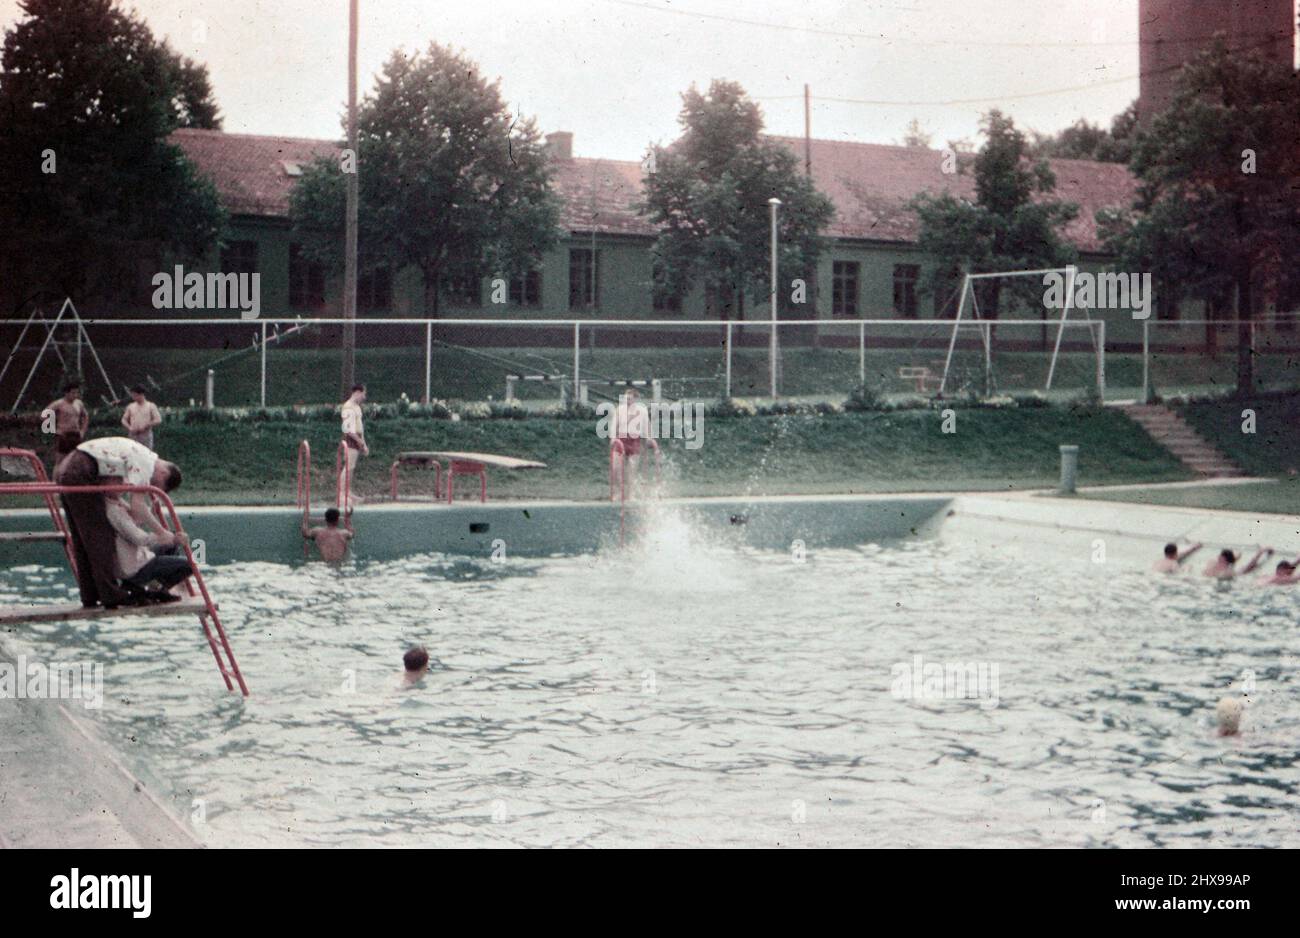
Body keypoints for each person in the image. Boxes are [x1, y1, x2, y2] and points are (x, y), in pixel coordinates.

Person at [54, 436, 182, 609]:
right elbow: (138, 506)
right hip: (81, 468)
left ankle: (91, 594)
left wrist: (149, 515)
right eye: (157, 485)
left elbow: (136, 511)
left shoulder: (140, 454)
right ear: (164, 474)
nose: (151, 486)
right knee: (100, 537)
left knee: (84, 539)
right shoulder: (146, 464)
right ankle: (111, 595)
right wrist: (161, 533)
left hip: (70, 466)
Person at [104, 495, 190, 603]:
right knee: (191, 564)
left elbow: (132, 522)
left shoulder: (116, 502)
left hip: (137, 557)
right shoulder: (114, 511)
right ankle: (153, 588)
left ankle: (157, 588)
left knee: (171, 544)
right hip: (134, 567)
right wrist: (166, 538)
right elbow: (139, 539)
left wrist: (151, 513)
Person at [609, 388, 659, 498]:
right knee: (616, 469)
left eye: (630, 399)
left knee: (631, 472)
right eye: (626, 399)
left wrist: (649, 438)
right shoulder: (619, 409)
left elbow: (646, 426)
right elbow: (614, 425)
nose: (627, 401)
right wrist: (612, 438)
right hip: (621, 440)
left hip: (634, 442)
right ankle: (619, 492)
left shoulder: (642, 410)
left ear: (635, 399)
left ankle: (631, 494)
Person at [339, 383, 369, 514]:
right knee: (348, 467)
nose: (364, 397)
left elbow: (360, 427)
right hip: (351, 438)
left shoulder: (357, 407)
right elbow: (347, 429)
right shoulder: (348, 406)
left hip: (358, 438)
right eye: (364, 394)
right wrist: (358, 441)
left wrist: (363, 443)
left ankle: (348, 491)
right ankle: (341, 494)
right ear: (358, 392)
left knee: (352, 467)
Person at [47, 380, 89, 464]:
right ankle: (57, 473)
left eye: (77, 393)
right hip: (63, 435)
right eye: (73, 393)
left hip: (76, 434)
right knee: (60, 460)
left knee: (76, 459)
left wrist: (82, 431)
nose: (75, 395)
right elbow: (44, 415)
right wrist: (53, 429)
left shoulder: (79, 403)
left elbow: (85, 417)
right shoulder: (59, 403)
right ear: (66, 393)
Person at [121, 385, 163, 450]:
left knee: (146, 453)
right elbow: (124, 419)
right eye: (132, 395)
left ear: (141, 394)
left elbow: (158, 419)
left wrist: (147, 425)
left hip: (145, 436)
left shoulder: (151, 406)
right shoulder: (131, 406)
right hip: (133, 435)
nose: (133, 397)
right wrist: (129, 427)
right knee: (133, 453)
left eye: (135, 395)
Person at [1203, 547, 1272, 579]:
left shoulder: (1211, 562)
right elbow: (1249, 565)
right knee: (1251, 567)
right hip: (1231, 575)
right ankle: (1261, 552)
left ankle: (1261, 552)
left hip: (1211, 578)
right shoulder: (1228, 572)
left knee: (1250, 567)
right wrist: (1261, 552)